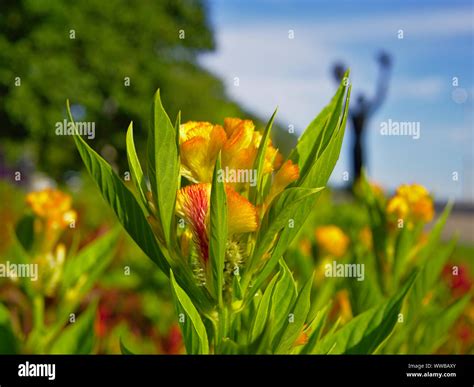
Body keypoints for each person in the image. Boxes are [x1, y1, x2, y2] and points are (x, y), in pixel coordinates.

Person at [333, 51, 392, 185]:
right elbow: (343, 100)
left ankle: (359, 187)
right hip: (355, 146)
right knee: (355, 169)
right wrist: (341, 82)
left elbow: (380, 95)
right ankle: (355, 188)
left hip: (359, 146)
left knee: (361, 169)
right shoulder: (355, 113)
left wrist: (384, 73)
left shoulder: (364, 112)